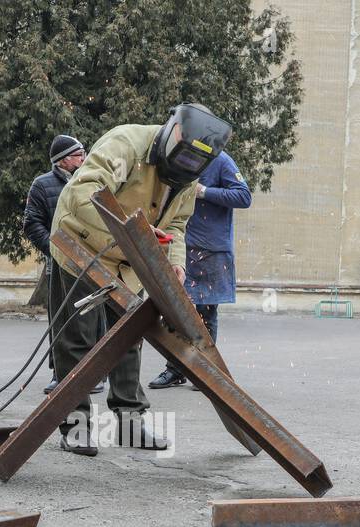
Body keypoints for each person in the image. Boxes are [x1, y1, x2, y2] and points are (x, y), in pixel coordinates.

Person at [49, 103, 231, 455]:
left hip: (131, 261)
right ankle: (75, 427)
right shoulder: (126, 144)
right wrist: (135, 228)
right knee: (76, 341)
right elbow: (80, 193)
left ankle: (130, 426)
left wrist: (175, 262)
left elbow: (177, 225)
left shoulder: (189, 173)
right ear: (170, 136)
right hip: (82, 247)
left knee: (129, 340)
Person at [149, 148, 251, 389]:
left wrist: (203, 191)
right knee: (173, 309)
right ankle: (175, 369)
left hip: (210, 248)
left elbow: (243, 197)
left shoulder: (222, 161)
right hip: (180, 244)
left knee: (206, 311)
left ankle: (205, 367)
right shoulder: (183, 158)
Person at [23, 134, 102, 396]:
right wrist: (55, 250)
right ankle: (61, 373)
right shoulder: (42, 185)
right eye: (79, 155)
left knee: (92, 320)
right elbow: (32, 223)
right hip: (59, 266)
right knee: (62, 320)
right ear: (65, 160)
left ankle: (94, 374)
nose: (84, 158)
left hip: (92, 265)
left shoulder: (92, 182)